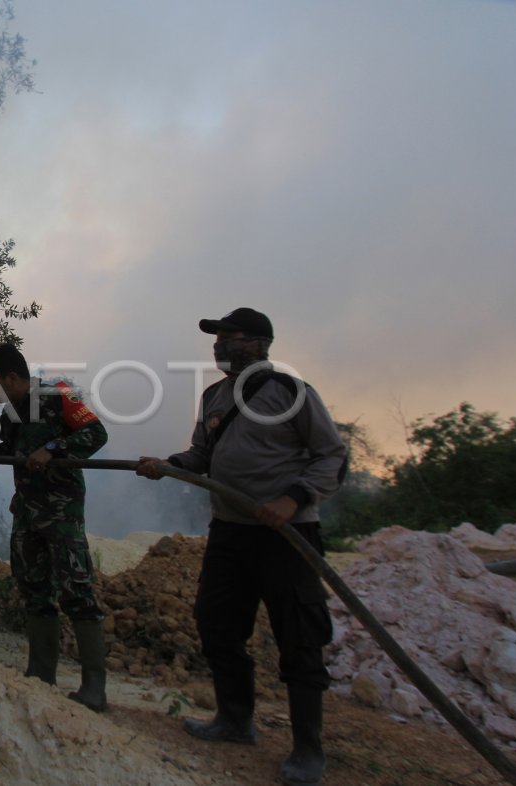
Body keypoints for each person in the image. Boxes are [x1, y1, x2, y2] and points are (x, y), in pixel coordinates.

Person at [136, 307, 346, 786]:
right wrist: (166, 464)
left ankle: (308, 750)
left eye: (228, 337)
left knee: (299, 636)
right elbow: (201, 457)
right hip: (230, 531)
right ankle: (235, 721)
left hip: (285, 535)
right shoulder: (215, 396)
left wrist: (291, 501)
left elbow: (331, 455)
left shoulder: (291, 392)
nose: (218, 346)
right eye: (217, 339)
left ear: (259, 343)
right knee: (217, 623)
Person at [0, 343, 110, 712]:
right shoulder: (11, 413)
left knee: (76, 590)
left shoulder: (58, 396)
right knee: (34, 590)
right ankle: (40, 677)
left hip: (61, 513)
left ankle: (94, 689)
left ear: (13, 378)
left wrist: (53, 449)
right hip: (27, 512)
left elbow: (96, 435)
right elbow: (10, 450)